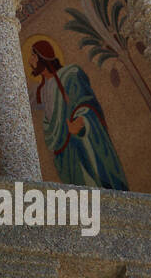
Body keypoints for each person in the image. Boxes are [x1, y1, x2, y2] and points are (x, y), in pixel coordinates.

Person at [30, 39, 128, 190]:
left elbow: (86, 101)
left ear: (43, 57)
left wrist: (82, 121)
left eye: (33, 56)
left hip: (82, 139)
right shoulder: (41, 90)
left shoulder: (70, 74)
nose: (30, 61)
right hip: (64, 152)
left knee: (96, 182)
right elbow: (21, 98)